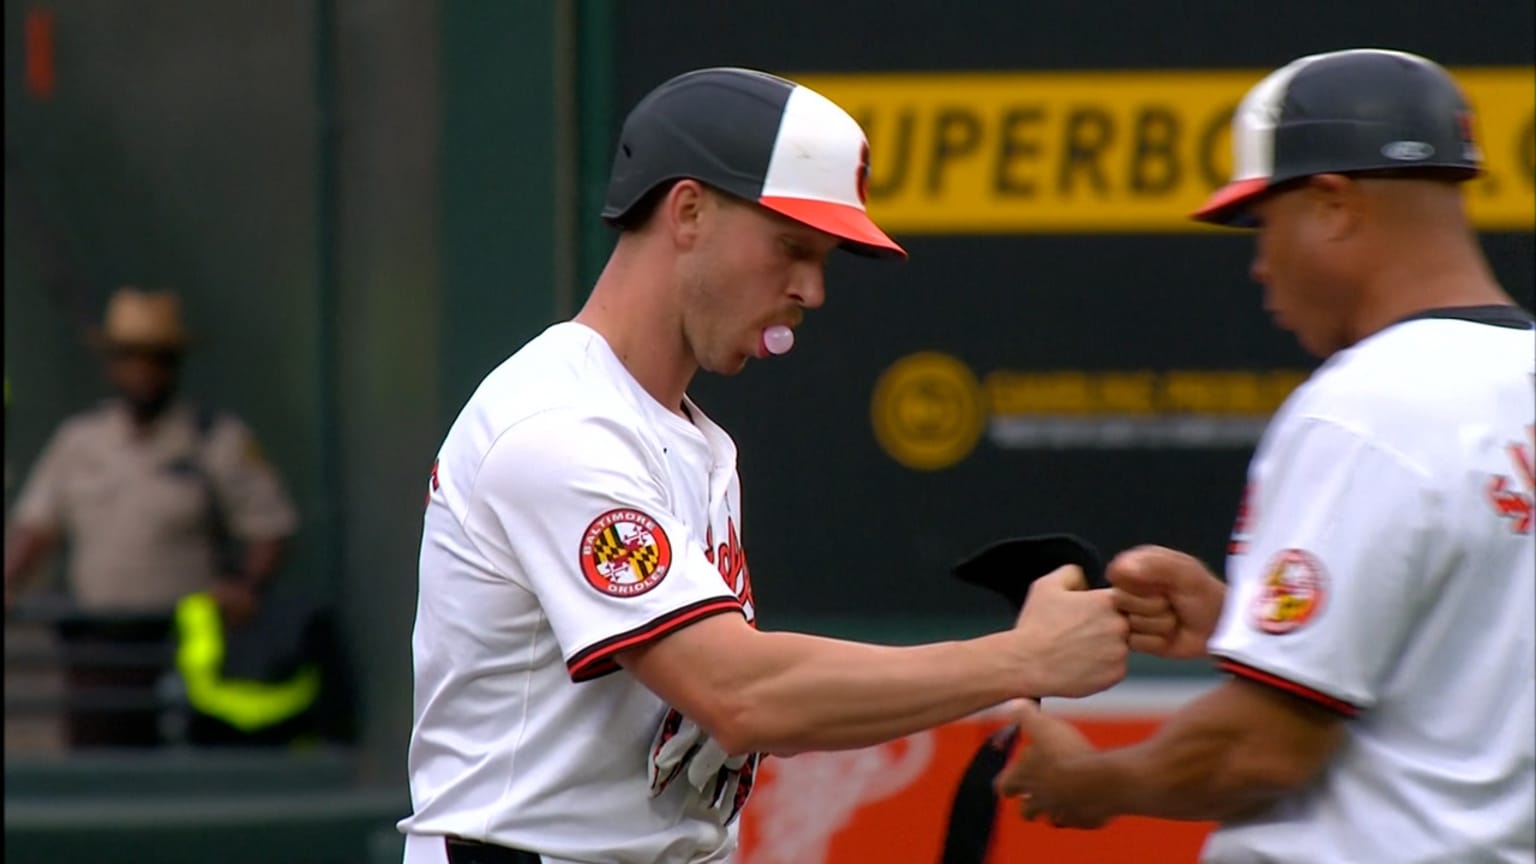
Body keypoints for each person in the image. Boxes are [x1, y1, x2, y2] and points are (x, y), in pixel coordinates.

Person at [398, 67, 1131, 864]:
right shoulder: (556, 424)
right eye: (791, 248)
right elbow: (739, 693)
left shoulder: (690, 439)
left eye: (823, 260)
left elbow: (738, 702)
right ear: (688, 211)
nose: (811, 290)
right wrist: (1020, 658)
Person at [994, 48, 1535, 863]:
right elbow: (1466, 680)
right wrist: (1239, 628)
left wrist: (1094, 781)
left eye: (1263, 224)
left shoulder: (1373, 403)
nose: (1259, 265)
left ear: (1332, 204)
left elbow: (1260, 750)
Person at [4, 286, 298, 749]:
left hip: (182, 646)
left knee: (182, 767)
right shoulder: (79, 442)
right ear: (111, 364)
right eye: (129, 357)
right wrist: (10, 579)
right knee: (98, 770)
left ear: (173, 364)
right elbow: (37, 523)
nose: (142, 372)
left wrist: (246, 586)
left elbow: (270, 525)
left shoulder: (212, 439)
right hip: (96, 646)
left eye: (156, 358)